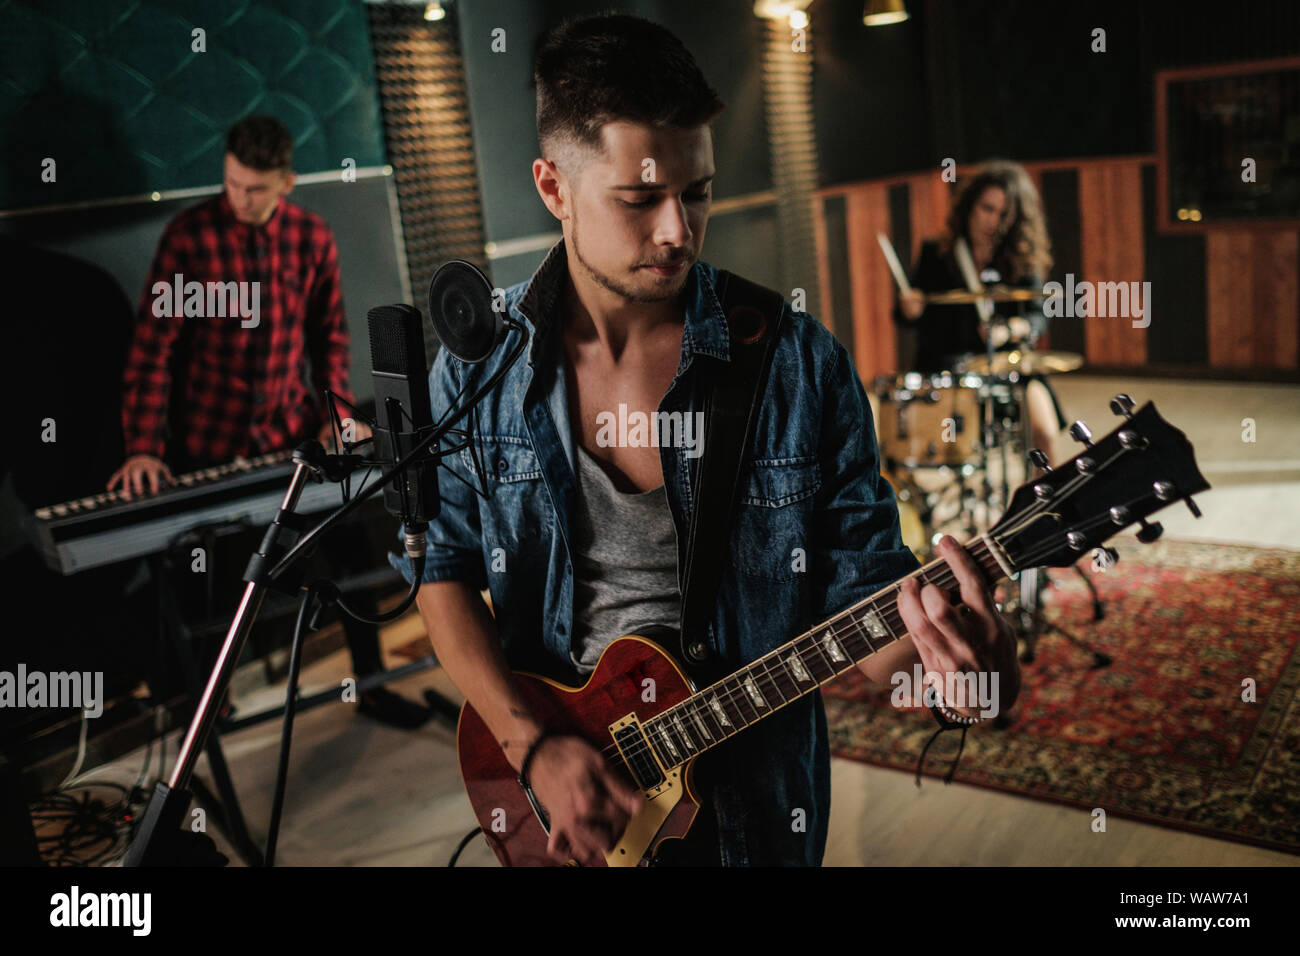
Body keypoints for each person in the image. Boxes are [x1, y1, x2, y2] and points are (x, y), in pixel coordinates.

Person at [394, 14, 1020, 866]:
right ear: (553, 188)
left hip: (752, 814)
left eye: (696, 192)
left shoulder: (799, 365)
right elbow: (443, 571)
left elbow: (869, 621)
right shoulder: (479, 365)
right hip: (560, 800)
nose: (678, 232)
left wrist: (959, 665)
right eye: (640, 199)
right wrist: (533, 746)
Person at [110, 116, 429, 729]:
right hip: (209, 445)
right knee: (213, 583)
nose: (239, 199)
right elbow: (152, 351)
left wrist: (335, 417)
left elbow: (329, 340)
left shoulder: (312, 238)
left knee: (352, 556)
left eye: (254, 189)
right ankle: (206, 709)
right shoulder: (189, 238)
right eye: (231, 184)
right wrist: (144, 448)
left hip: (292, 438)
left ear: (286, 181)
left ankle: (372, 683)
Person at [895, 161, 1067, 463]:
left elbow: (1038, 316)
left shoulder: (1020, 257)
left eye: (1004, 214)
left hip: (1007, 363)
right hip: (949, 369)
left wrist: (1010, 329)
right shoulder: (936, 254)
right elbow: (906, 318)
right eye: (987, 209)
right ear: (969, 207)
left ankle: (1042, 508)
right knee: (942, 447)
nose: (994, 221)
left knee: (1045, 434)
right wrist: (910, 309)